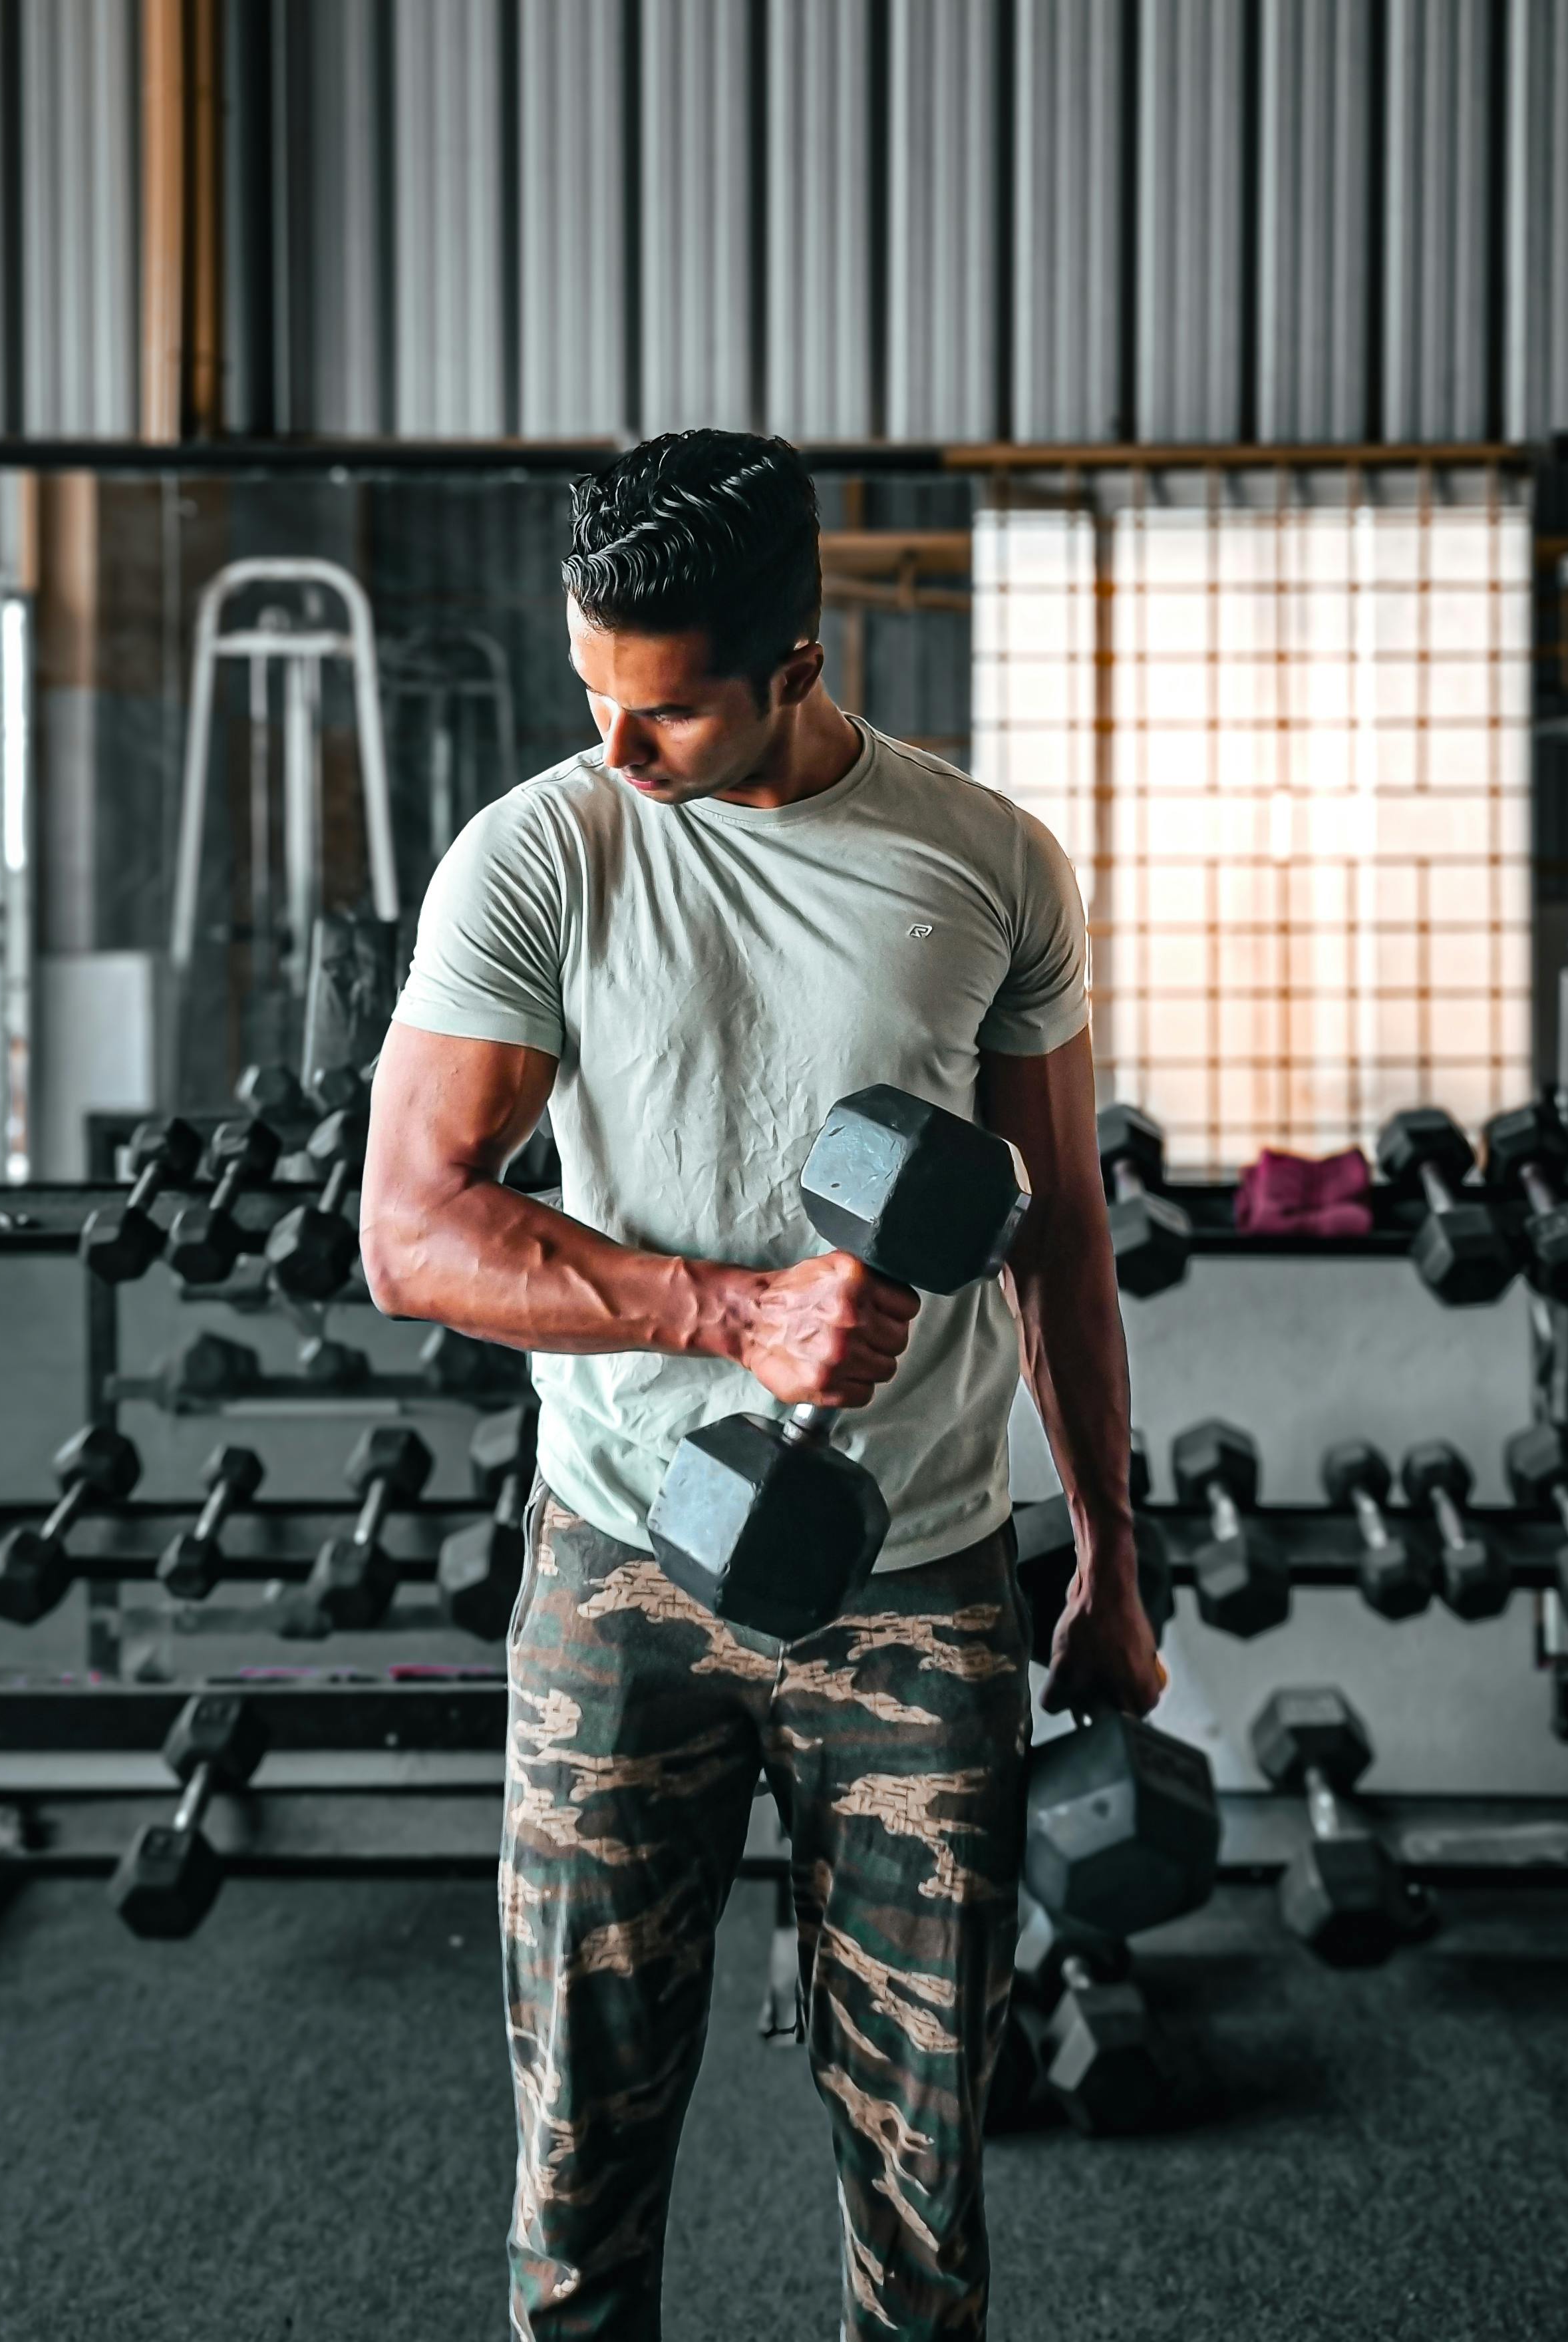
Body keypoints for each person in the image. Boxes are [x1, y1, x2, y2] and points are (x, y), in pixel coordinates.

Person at [361, 429, 1162, 2341]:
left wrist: (1112, 1558)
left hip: (920, 1589)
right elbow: (411, 1234)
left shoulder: (986, 865)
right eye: (592, 699)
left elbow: (1057, 1241)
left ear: (799, 663)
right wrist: (732, 1317)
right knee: (580, 2176)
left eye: (668, 716)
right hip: (625, 1570)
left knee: (926, 2185)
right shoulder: (540, 852)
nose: (618, 754)